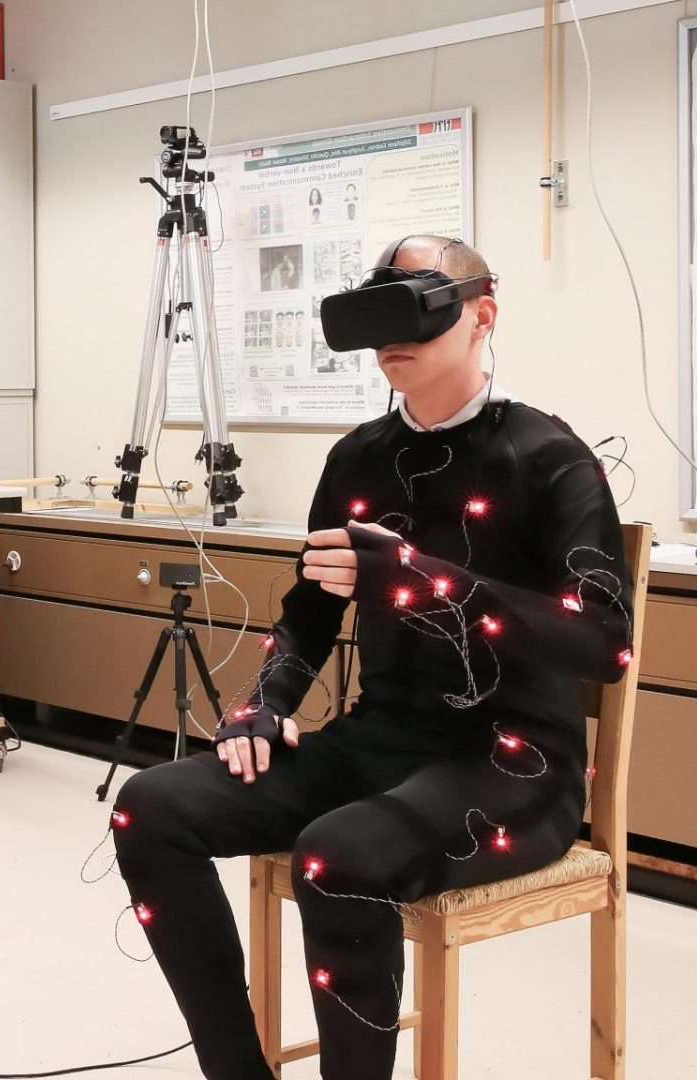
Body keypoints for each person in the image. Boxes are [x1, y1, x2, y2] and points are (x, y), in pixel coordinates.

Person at [111, 237, 633, 1080]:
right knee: (150, 807)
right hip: (379, 739)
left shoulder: (548, 458)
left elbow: (605, 642)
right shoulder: (356, 458)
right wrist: (265, 703)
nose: (394, 337)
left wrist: (425, 580)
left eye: (415, 309)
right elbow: (309, 613)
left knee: (339, 857)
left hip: (515, 764)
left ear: (482, 316)